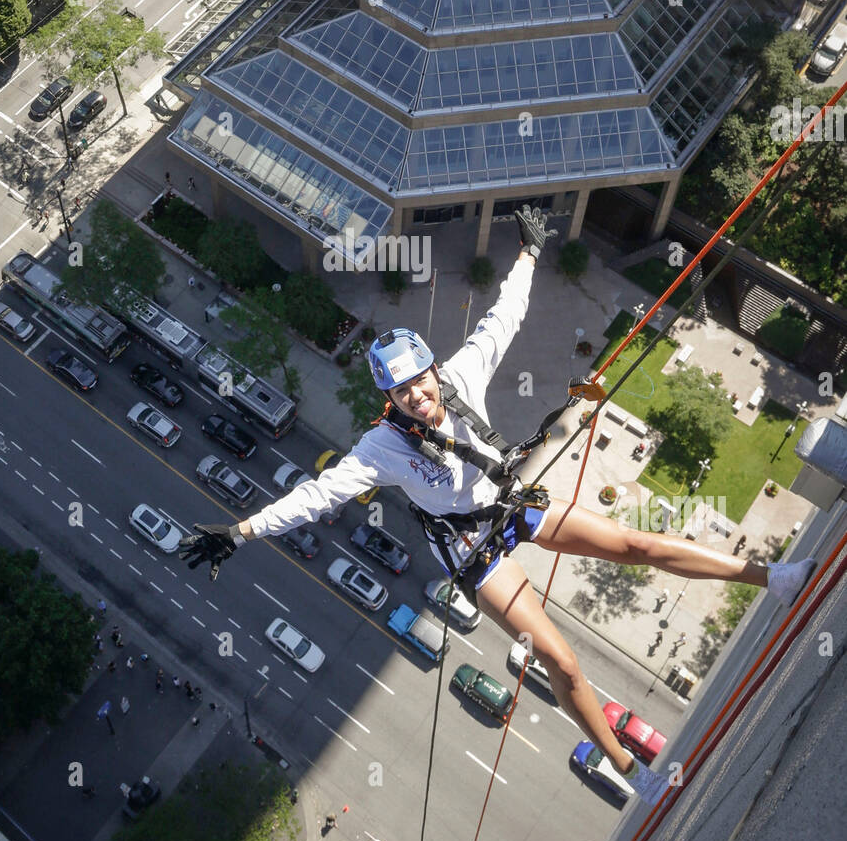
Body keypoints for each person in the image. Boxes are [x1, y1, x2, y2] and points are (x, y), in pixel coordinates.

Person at [179, 207, 818, 805]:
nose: (417, 397)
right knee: (560, 657)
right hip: (470, 549)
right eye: (401, 392)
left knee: (636, 545)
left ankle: (775, 580)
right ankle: (631, 772)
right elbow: (316, 497)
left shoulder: (458, 377)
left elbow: (504, 316)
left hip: (510, 505)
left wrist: (529, 253)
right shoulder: (380, 448)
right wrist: (240, 532)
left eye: (419, 382)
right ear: (389, 398)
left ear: (432, 369)